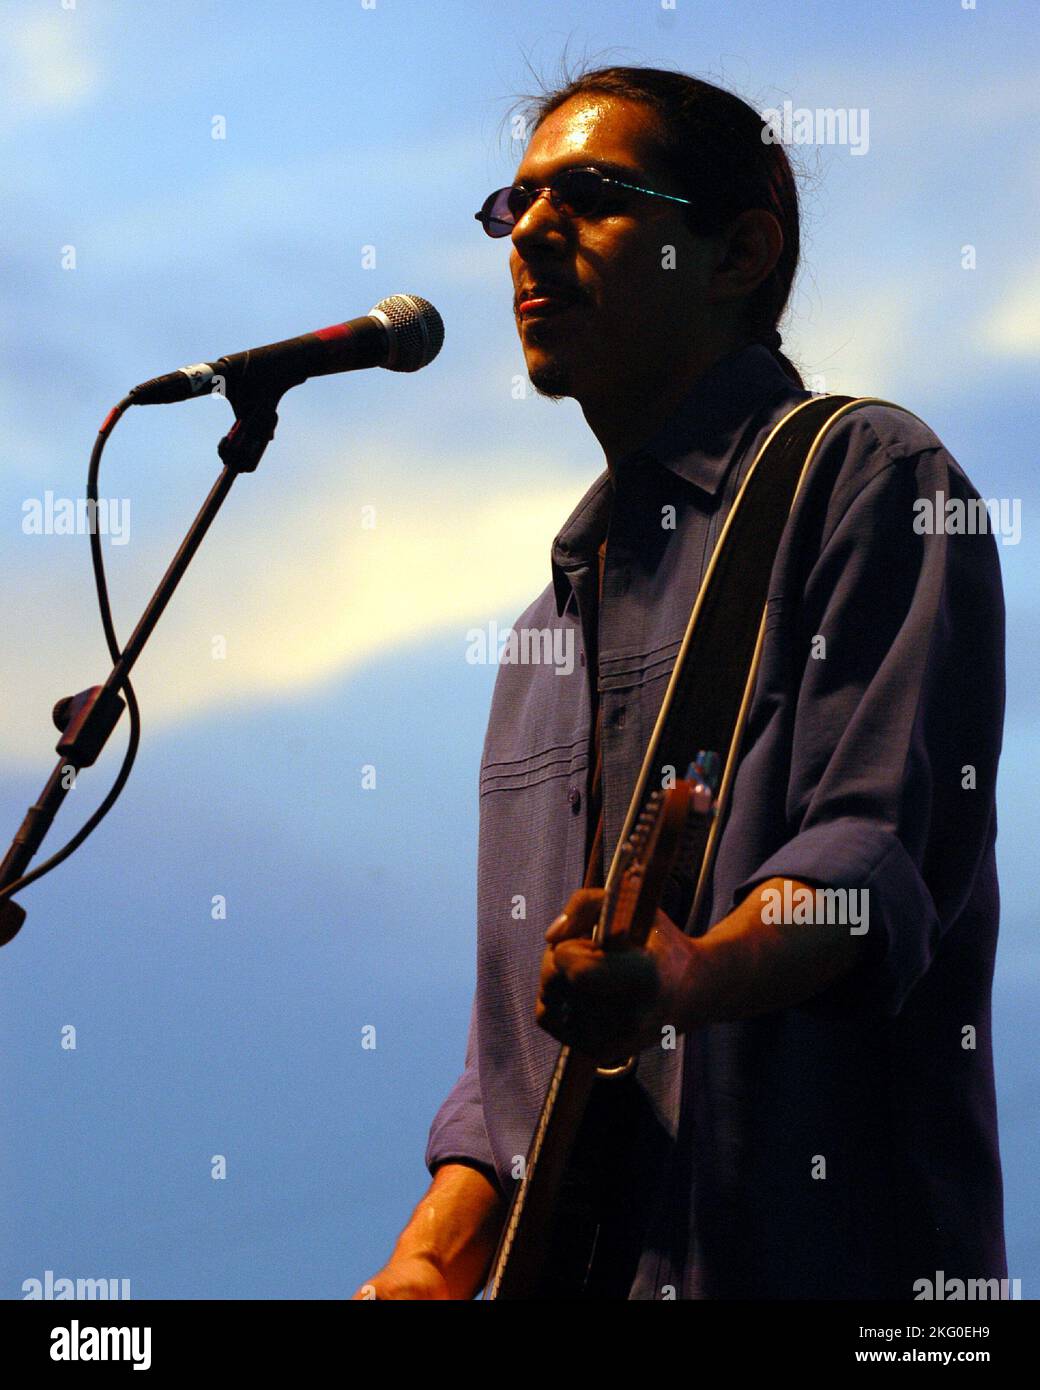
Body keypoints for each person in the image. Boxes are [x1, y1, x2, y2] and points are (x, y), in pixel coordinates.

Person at [354, 66, 1006, 1300]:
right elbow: (516, 1061)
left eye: (592, 197)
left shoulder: (862, 476)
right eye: (515, 204)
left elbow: (869, 869)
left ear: (736, 251)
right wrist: (431, 1256)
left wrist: (680, 975)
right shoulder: (539, 640)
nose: (532, 232)